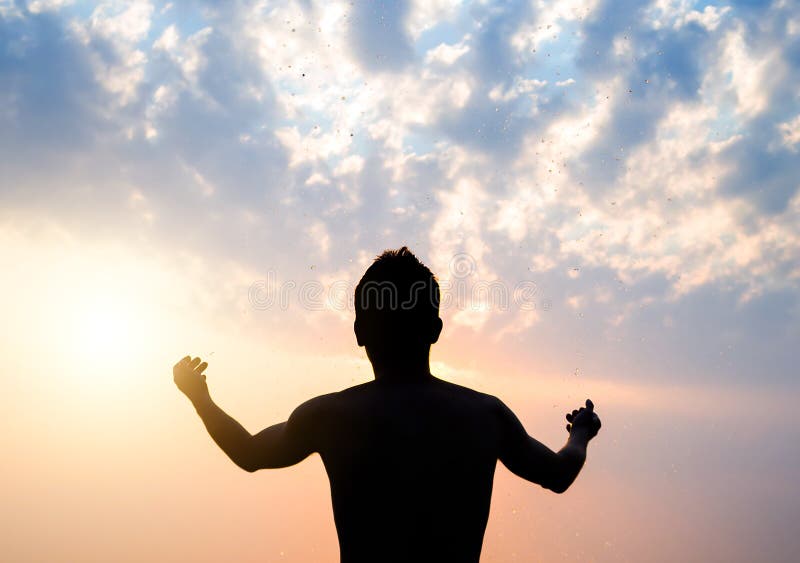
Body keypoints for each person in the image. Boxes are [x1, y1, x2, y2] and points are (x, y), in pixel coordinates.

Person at [174, 247, 601, 563]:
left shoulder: (330, 416)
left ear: (359, 332)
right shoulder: (484, 414)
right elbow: (557, 474)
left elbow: (249, 453)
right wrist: (580, 431)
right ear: (435, 330)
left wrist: (200, 399)